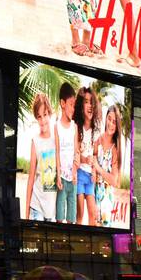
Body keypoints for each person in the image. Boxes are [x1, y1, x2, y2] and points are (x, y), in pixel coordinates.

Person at [23, 92, 58, 221]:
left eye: (45, 115)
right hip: (36, 206)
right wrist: (26, 211)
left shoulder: (57, 140)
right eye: (39, 116)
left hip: (52, 211)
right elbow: (31, 178)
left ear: (49, 114)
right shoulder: (35, 141)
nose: (43, 120)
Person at [95, 103, 123, 227]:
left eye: (114, 122)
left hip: (106, 198)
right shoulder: (97, 140)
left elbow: (113, 180)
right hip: (93, 192)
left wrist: (98, 169)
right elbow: (91, 166)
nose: (111, 124)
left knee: (105, 230)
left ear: (117, 126)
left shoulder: (114, 149)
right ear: (106, 118)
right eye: (109, 119)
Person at [55, 83, 79, 224]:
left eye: (74, 105)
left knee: (71, 217)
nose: (73, 109)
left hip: (73, 179)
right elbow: (57, 152)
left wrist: (75, 170)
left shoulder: (74, 127)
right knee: (59, 216)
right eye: (71, 104)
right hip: (62, 179)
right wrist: (58, 175)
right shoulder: (56, 127)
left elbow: (76, 151)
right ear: (63, 103)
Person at [76, 88, 100, 227]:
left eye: (92, 102)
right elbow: (77, 154)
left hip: (90, 177)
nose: (90, 105)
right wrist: (85, 160)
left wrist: (95, 172)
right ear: (81, 106)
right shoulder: (77, 128)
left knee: (93, 216)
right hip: (79, 174)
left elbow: (95, 155)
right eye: (86, 102)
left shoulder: (96, 130)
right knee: (80, 215)